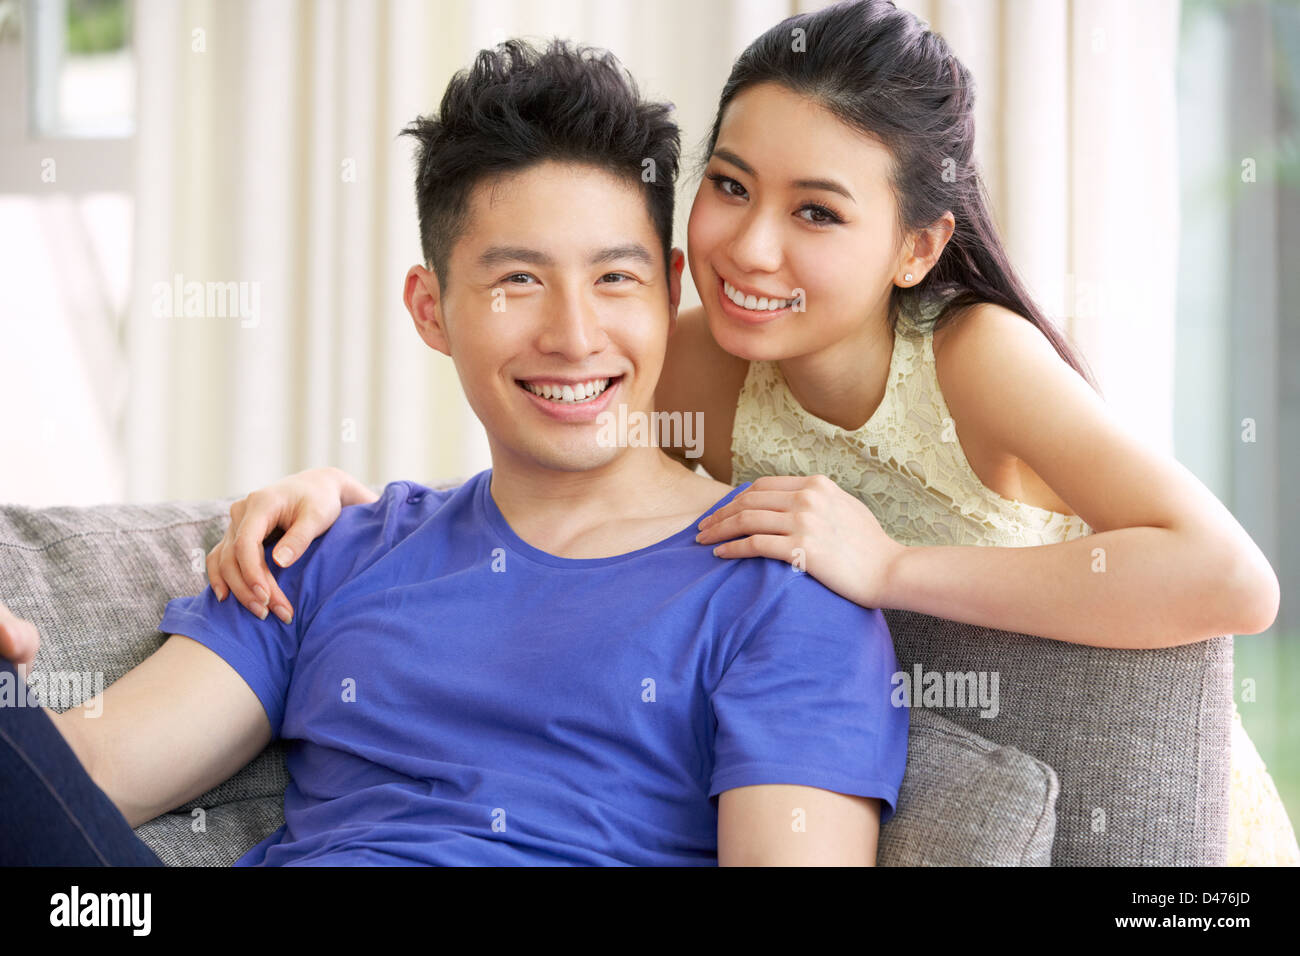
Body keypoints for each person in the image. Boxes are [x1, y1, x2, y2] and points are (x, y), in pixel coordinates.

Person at [209, 0, 1294, 865]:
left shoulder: (973, 356)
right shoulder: (694, 350)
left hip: (1157, 822)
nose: (749, 246)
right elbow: (553, 451)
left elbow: (1231, 580)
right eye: (729, 185)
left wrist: (892, 565)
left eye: (816, 212)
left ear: (916, 245)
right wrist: (341, 503)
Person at [0, 37, 907, 867]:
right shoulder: (331, 553)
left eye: (614, 278)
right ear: (430, 309)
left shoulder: (780, 587)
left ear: (670, 293)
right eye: (518, 279)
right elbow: (78, 782)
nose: (574, 334)